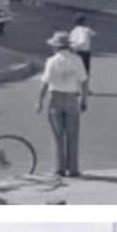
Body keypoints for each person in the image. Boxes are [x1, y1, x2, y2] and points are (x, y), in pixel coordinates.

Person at [38, 31, 88, 178]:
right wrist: (84, 99)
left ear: (56, 47)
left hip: (55, 99)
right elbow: (84, 81)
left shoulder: (51, 61)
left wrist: (40, 100)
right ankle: (73, 169)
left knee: (58, 135)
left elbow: (45, 83)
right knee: (72, 135)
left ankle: (59, 168)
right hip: (72, 98)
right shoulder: (77, 60)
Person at [68, 17, 96, 110]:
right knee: (85, 71)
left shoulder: (73, 31)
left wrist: (73, 47)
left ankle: (75, 88)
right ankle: (85, 89)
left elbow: (70, 41)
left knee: (76, 71)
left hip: (76, 52)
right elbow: (92, 35)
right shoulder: (85, 30)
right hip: (84, 53)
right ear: (83, 21)